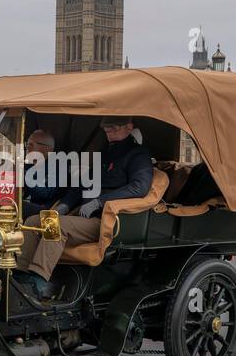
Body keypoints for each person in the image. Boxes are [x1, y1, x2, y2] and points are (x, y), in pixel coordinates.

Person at [14, 116, 153, 300]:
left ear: (129, 127)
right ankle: (21, 274)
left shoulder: (138, 155)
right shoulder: (105, 153)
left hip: (106, 221)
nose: (109, 133)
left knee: (55, 225)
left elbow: (140, 187)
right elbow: (81, 185)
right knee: (33, 222)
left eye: (114, 129)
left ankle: (39, 280)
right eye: (107, 130)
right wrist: (65, 205)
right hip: (84, 217)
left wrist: (99, 202)